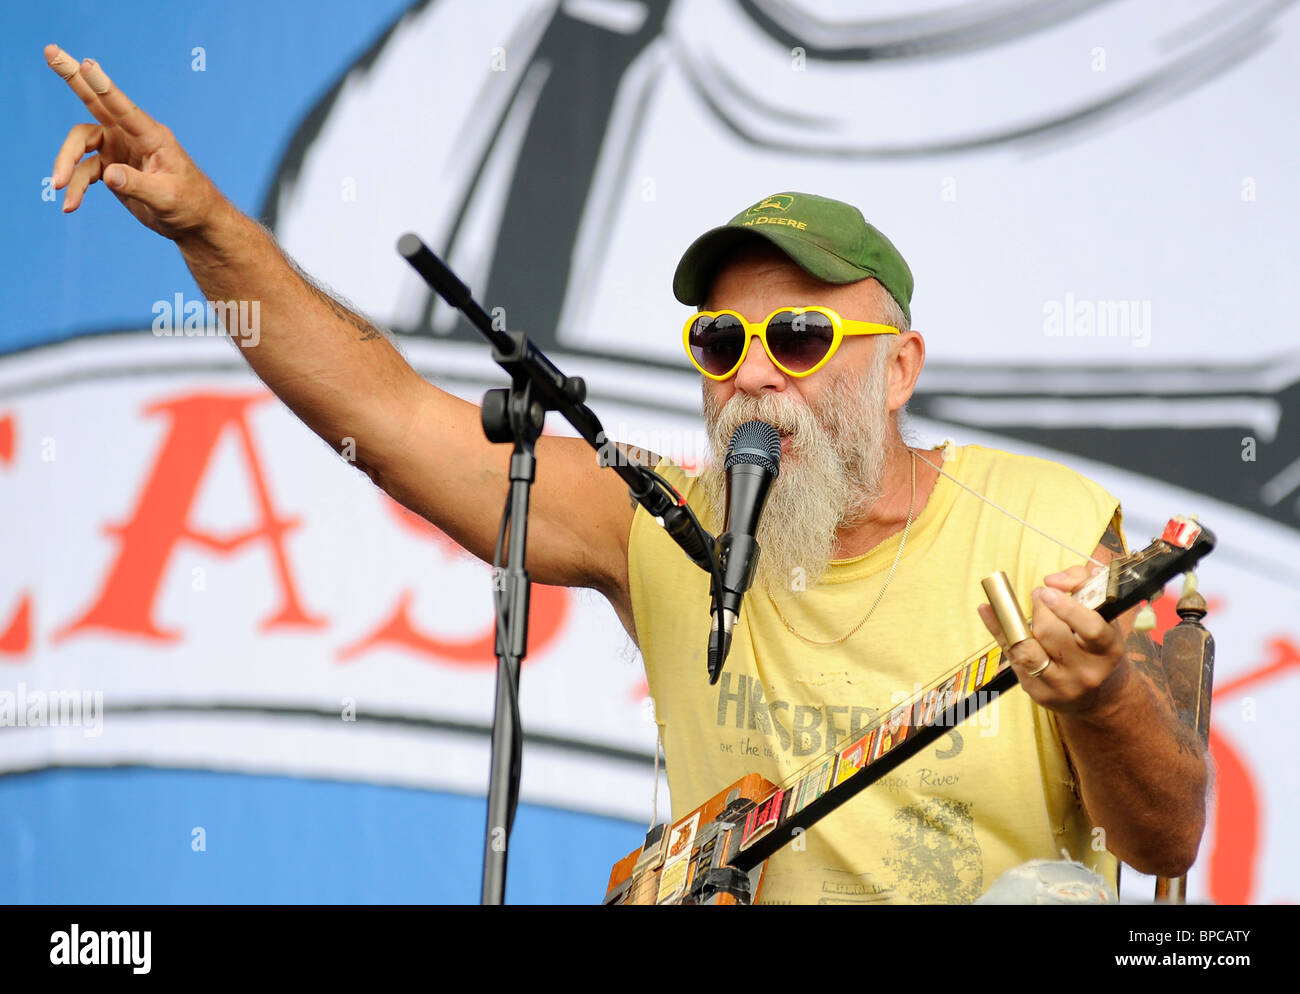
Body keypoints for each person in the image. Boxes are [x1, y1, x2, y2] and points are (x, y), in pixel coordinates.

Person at [44, 46, 1208, 904]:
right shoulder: (657, 521)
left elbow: (1166, 839)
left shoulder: (1051, 528)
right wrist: (205, 226)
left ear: (898, 368)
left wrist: (1103, 697)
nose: (751, 375)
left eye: (798, 337)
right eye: (718, 343)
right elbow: (391, 419)